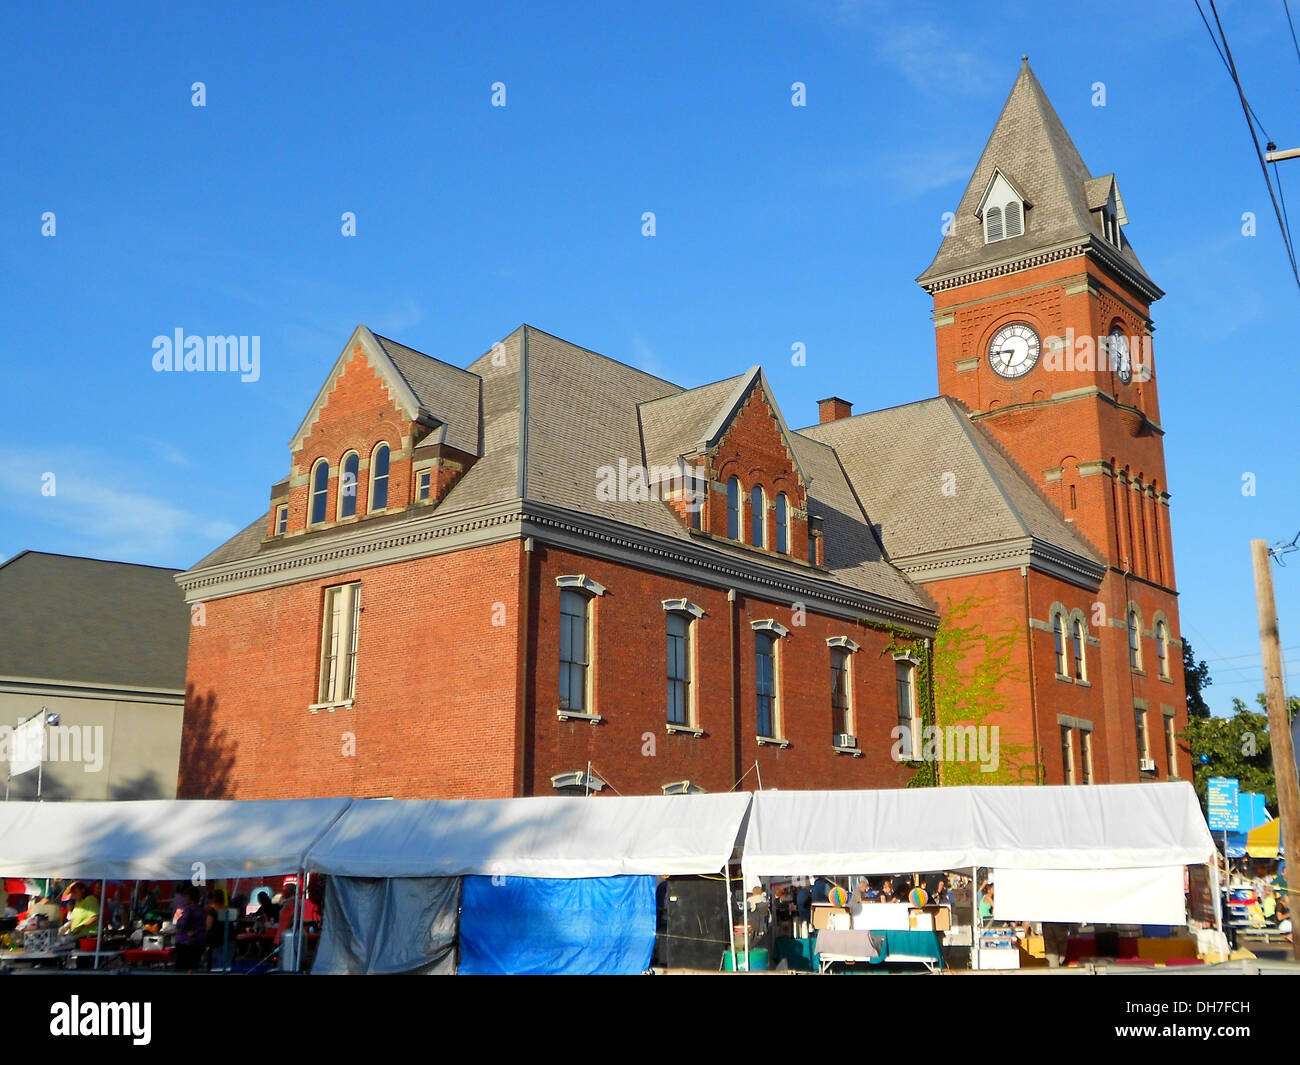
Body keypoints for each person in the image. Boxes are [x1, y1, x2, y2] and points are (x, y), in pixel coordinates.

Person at [173, 885, 207, 971]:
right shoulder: (203, 910)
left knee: (182, 967)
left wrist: (179, 924)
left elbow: (182, 924)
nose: (184, 898)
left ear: (190, 897)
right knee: (194, 966)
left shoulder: (188, 909)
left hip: (186, 942)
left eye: (185, 896)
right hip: (199, 942)